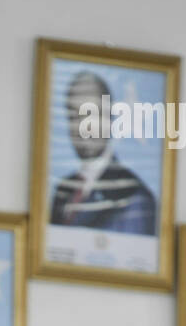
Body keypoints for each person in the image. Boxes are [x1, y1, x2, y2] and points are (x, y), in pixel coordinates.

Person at [48, 71, 157, 237]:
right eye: (74, 116)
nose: (83, 127)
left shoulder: (135, 198)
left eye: (91, 115)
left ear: (110, 118)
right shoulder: (63, 191)